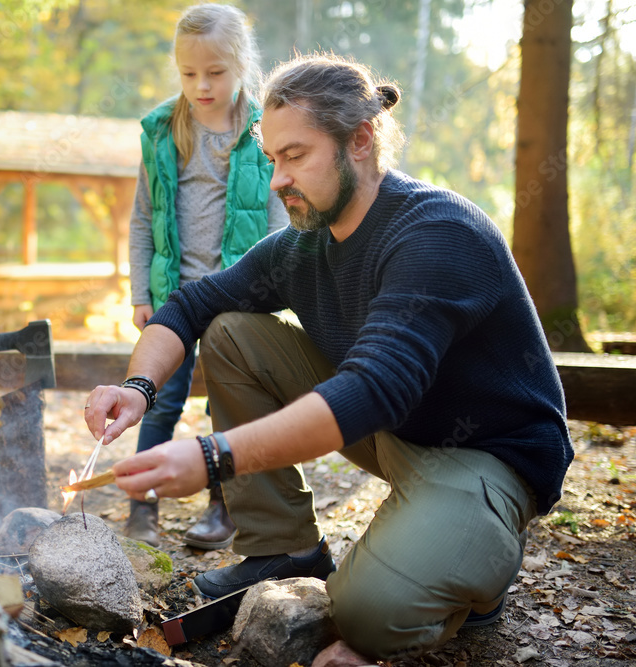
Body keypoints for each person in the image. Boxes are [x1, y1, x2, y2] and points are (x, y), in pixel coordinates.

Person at [85, 52, 573, 665]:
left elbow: (376, 387)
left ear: (360, 141)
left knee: (365, 616)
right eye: (272, 160)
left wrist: (214, 458)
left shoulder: (439, 231)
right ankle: (283, 549)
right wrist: (137, 388)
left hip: (485, 456)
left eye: (295, 156)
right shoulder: (302, 245)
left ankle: (475, 559)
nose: (277, 181)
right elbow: (188, 306)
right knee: (233, 330)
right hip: (393, 433)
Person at [123, 3, 288, 549]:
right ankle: (140, 503)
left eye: (215, 72)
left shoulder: (264, 130)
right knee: (158, 396)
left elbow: (278, 217)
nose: (202, 85)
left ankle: (222, 506)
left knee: (227, 401)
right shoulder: (161, 130)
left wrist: (276, 286)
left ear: (241, 64)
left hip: (237, 296)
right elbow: (144, 217)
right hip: (173, 293)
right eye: (189, 73)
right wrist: (140, 292)